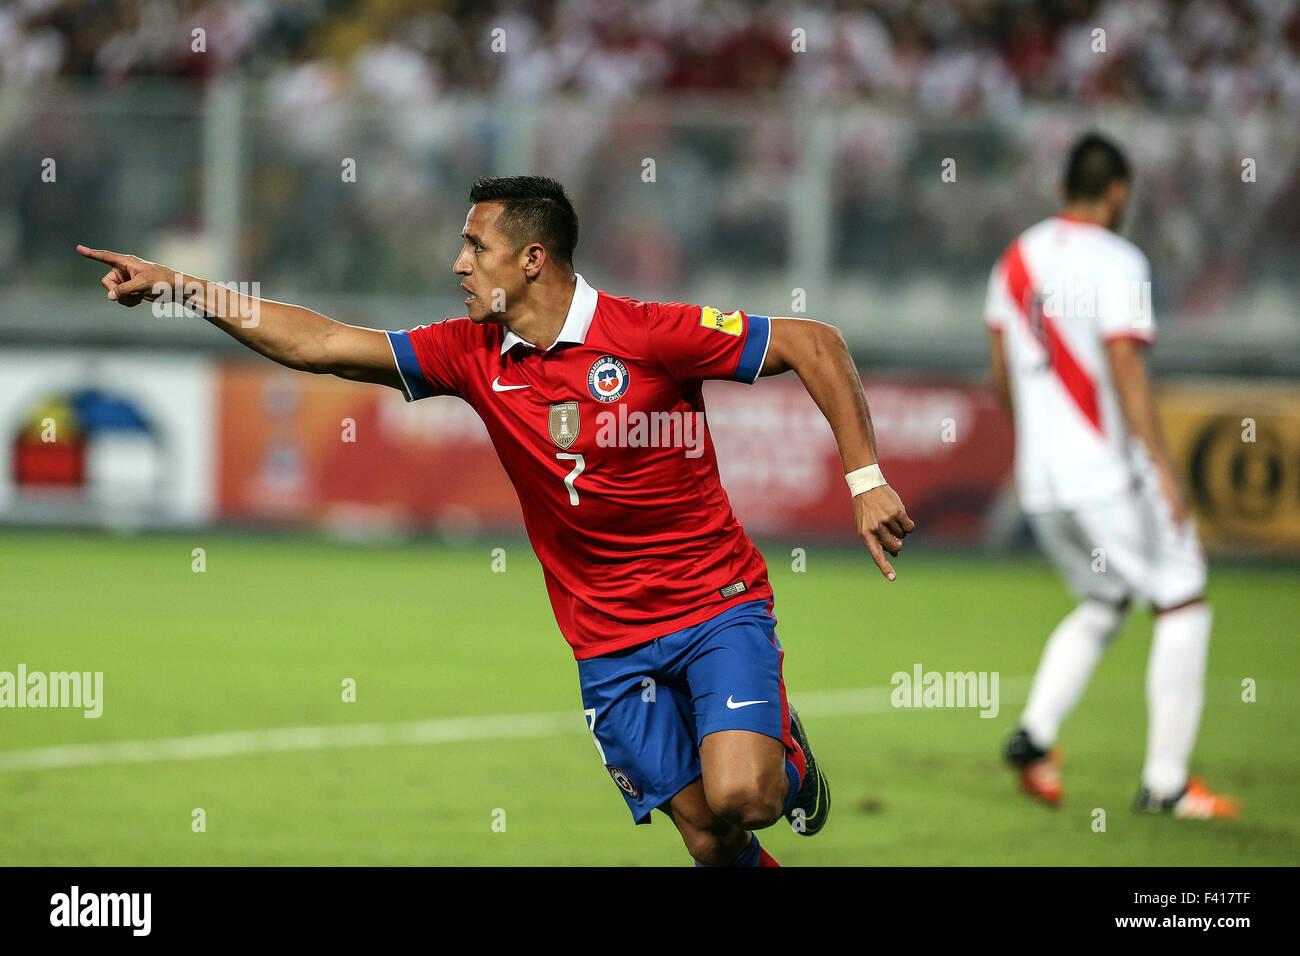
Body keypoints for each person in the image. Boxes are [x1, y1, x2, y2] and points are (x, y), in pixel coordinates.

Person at [78, 175, 915, 864]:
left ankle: (788, 756)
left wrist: (866, 478)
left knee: (745, 796)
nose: (459, 263)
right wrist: (181, 286)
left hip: (713, 602)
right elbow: (320, 344)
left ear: (533, 258)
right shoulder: (471, 354)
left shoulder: (649, 335)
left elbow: (814, 342)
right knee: (706, 834)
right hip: (603, 637)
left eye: (476, 247)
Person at [985, 135, 1237, 819]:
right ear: (1118, 191)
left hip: (1040, 480)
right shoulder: (1120, 259)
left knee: (1105, 600)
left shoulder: (1015, 258)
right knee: (1183, 598)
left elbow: (1001, 373)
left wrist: (1033, 445)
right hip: (1103, 473)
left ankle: (1035, 736)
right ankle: (1167, 784)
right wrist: (1161, 461)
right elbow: (1125, 365)